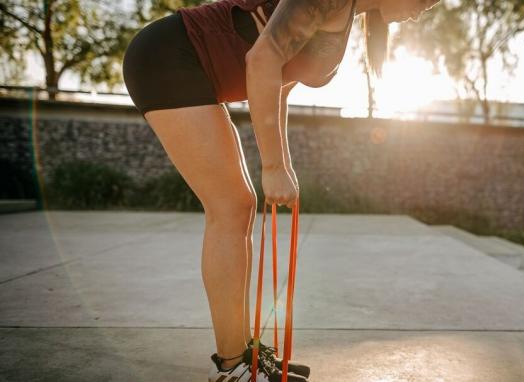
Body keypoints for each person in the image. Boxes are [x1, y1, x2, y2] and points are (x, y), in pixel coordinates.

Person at [121, 0, 440, 380]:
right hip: (167, 58)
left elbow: (280, 84)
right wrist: (270, 166)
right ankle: (231, 363)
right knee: (230, 207)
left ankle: (241, 353)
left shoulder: (348, 11)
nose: (425, 8)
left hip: (191, 69)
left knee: (239, 205)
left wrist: (282, 164)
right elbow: (262, 61)